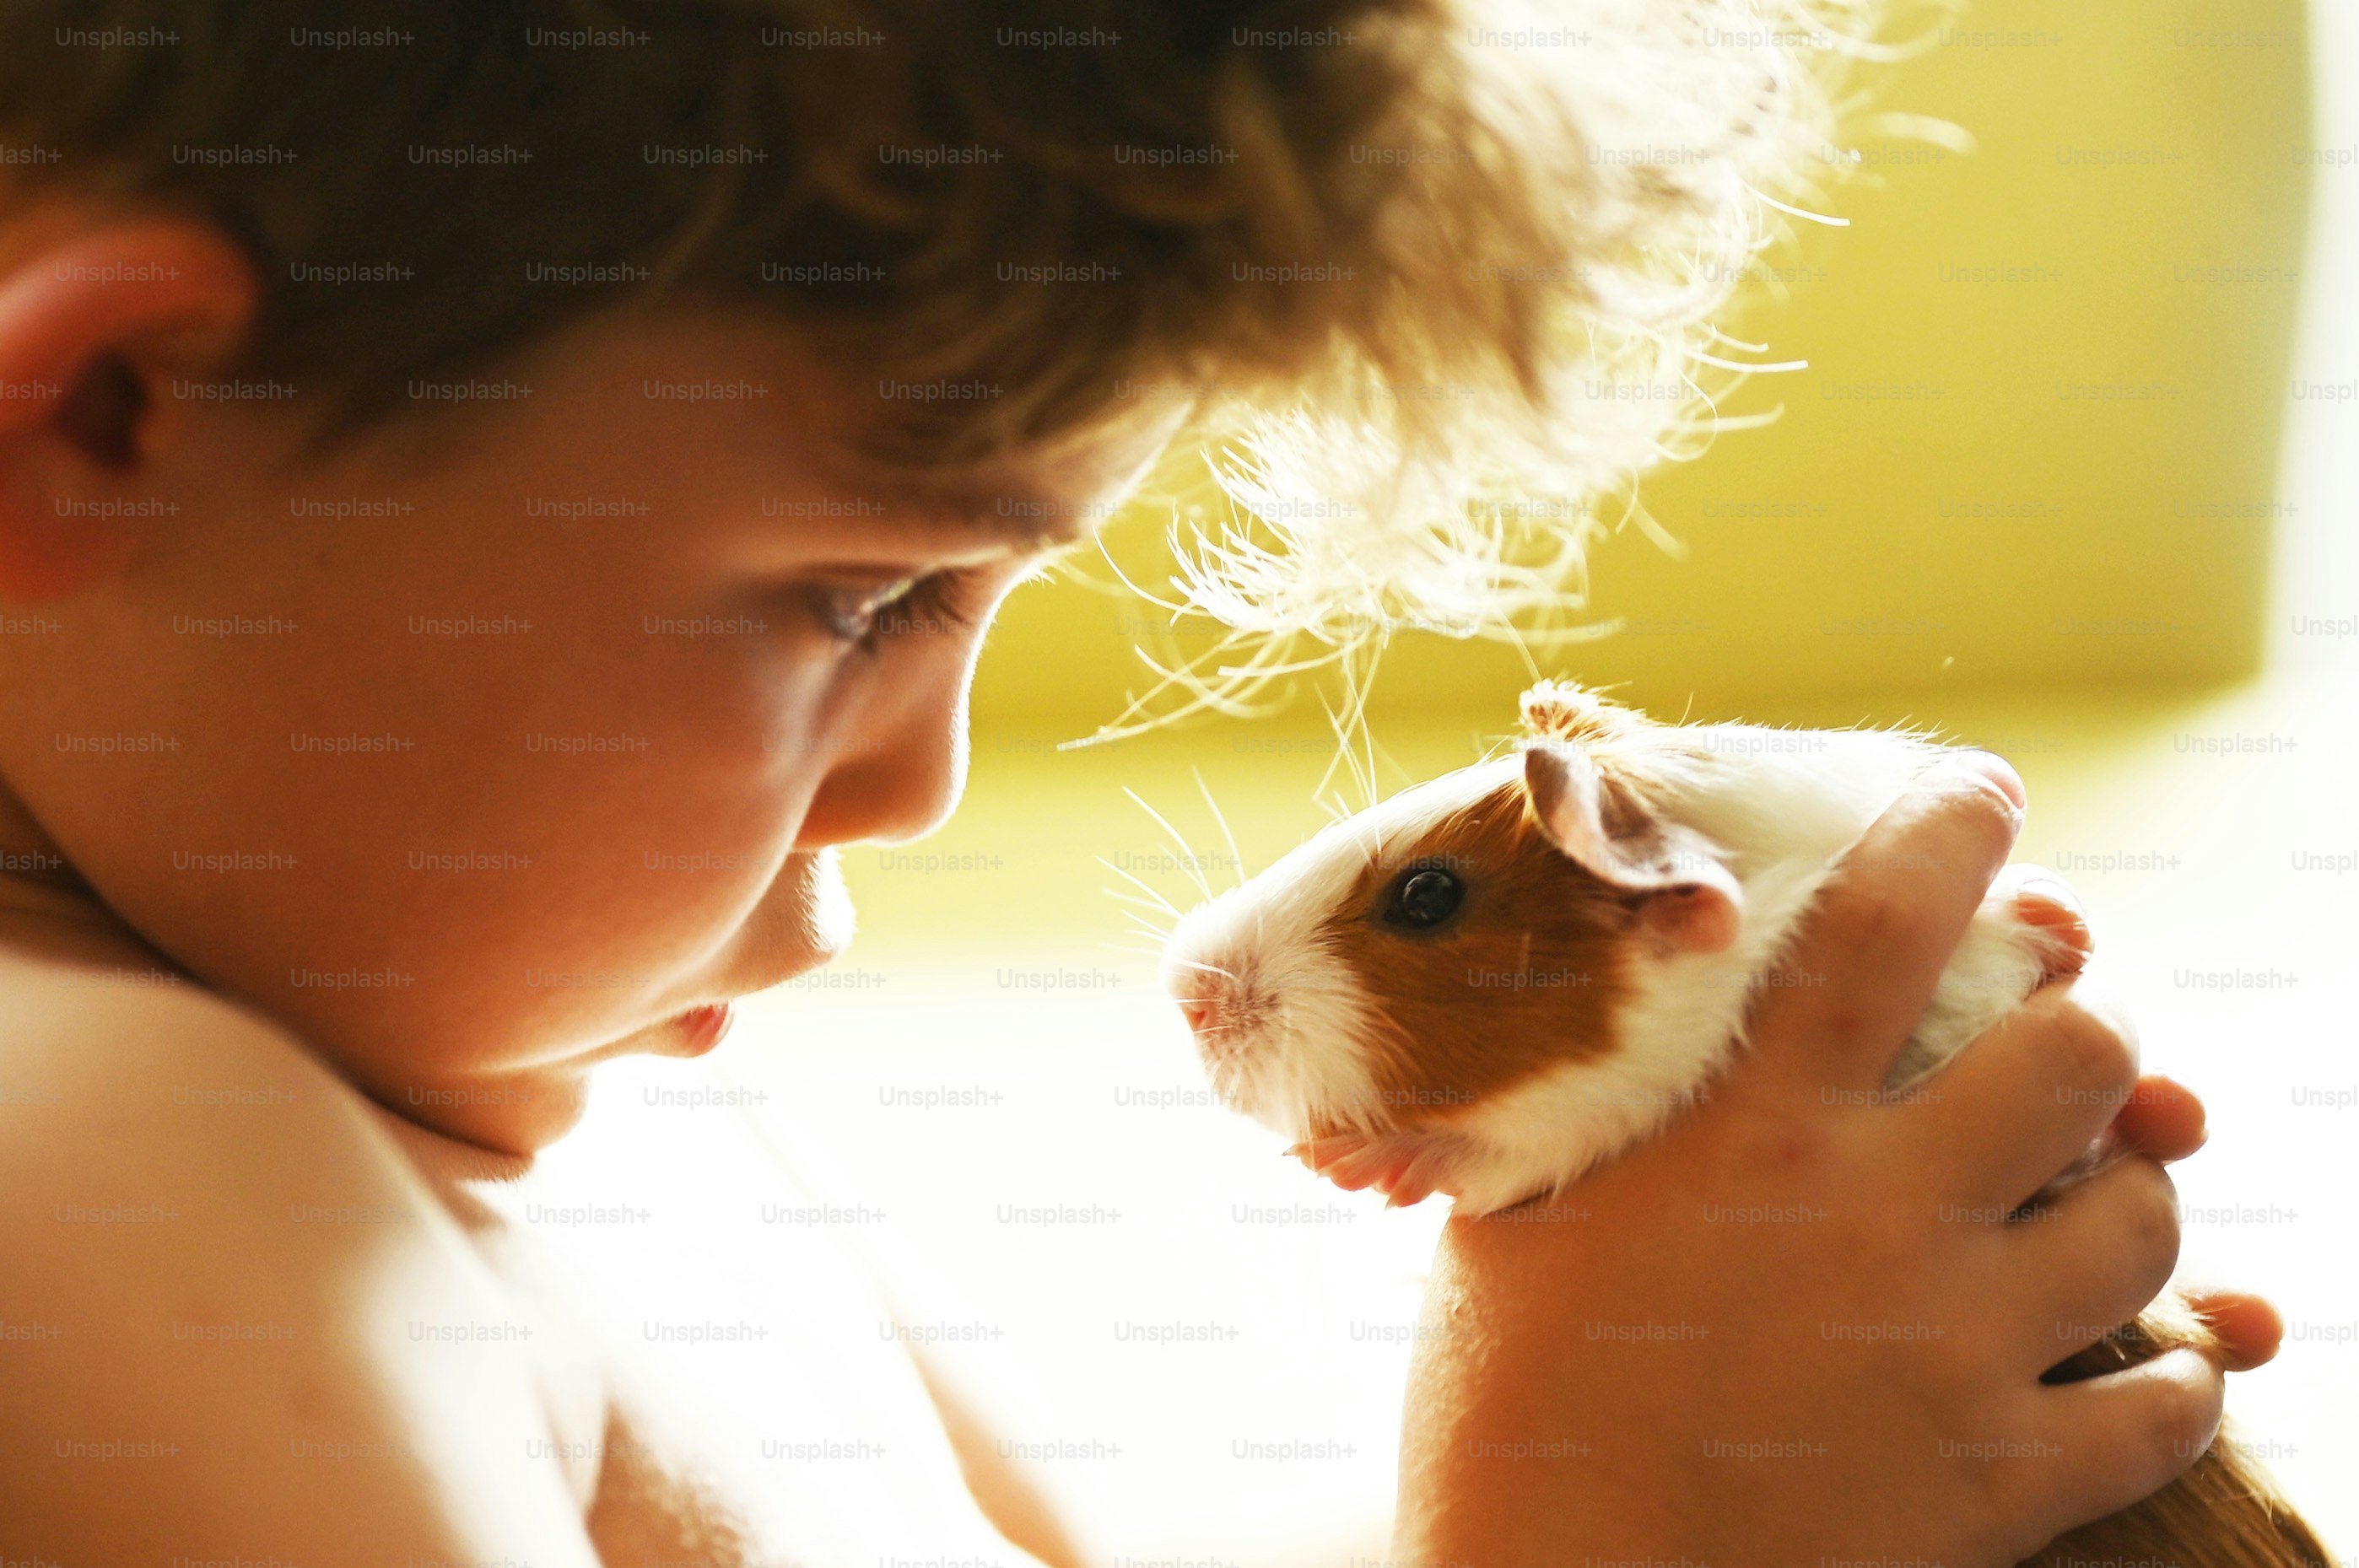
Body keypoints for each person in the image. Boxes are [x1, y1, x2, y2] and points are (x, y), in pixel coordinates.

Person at [0, 3, 2279, 1563]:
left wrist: (1781, 1416)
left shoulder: (567, 1081)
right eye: (859, 598)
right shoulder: (102, 1175)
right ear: (109, 419)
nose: (926, 781)